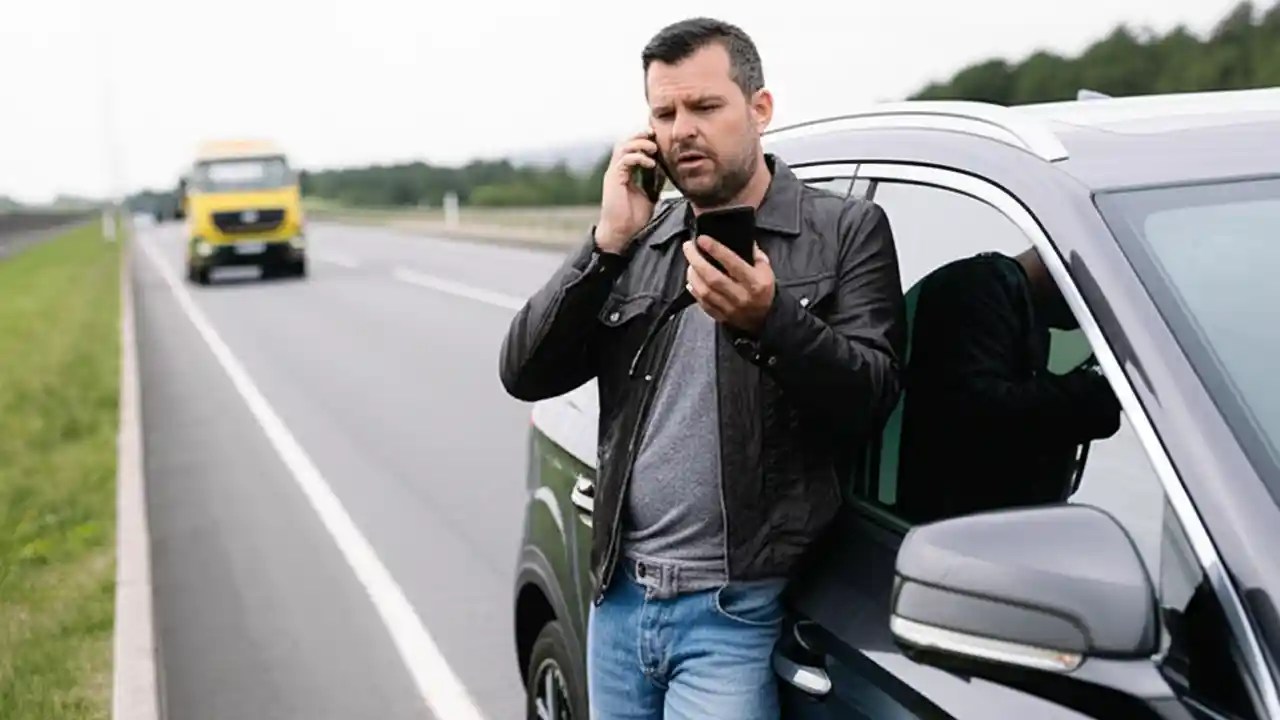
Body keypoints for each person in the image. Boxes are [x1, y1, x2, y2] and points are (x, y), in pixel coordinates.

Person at [498, 17, 904, 719]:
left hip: (732, 613)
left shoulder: (844, 231)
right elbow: (525, 372)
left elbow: (873, 395)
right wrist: (606, 241)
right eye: (664, 113)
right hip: (619, 603)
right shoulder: (640, 240)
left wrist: (771, 321)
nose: (682, 130)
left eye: (705, 106)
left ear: (760, 108)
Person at [896, 248, 1122, 524]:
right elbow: (985, 414)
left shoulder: (1014, 304)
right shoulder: (979, 287)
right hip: (952, 529)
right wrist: (1097, 389)